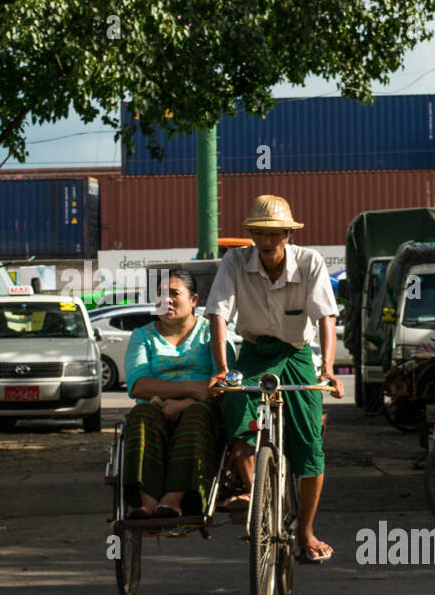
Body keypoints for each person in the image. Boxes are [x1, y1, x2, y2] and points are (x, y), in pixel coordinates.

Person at [205, 195, 343, 564]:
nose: (268, 242)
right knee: (235, 400)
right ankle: (255, 491)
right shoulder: (234, 262)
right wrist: (222, 367)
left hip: (296, 354)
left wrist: (327, 368)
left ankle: (306, 531)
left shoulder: (310, 261)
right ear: (250, 233)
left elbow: (326, 316)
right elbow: (218, 315)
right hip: (253, 353)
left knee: (310, 442)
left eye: (276, 234)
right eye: (261, 234)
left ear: (288, 233)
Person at [121, 270, 231, 519]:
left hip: (201, 412)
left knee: (195, 413)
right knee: (141, 413)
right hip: (156, 408)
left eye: (174, 293)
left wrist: (184, 403)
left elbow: (222, 385)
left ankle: (175, 498)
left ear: (194, 300)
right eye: (159, 294)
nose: (165, 300)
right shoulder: (142, 336)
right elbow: (138, 385)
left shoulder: (212, 334)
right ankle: (147, 501)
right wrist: (192, 388)